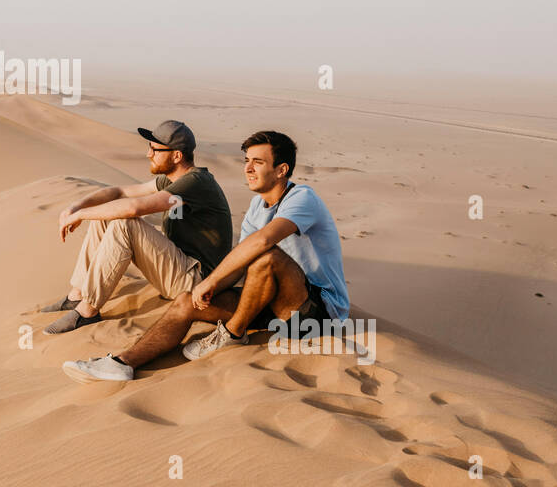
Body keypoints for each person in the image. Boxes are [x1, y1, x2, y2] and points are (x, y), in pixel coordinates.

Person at [62, 129, 349, 382]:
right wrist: (207, 289)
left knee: (266, 255)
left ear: (281, 170)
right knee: (186, 302)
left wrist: (210, 282)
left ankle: (232, 335)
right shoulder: (256, 207)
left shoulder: (302, 199)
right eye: (246, 161)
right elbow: (240, 260)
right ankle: (122, 362)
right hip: (269, 304)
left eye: (257, 162)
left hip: (315, 312)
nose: (248, 168)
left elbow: (262, 242)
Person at [40, 120, 233, 335]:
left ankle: (87, 312)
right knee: (105, 216)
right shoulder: (172, 180)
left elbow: (134, 208)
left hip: (195, 283)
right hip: (179, 265)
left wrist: (81, 215)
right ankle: (76, 296)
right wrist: (76, 207)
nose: (148, 154)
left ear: (177, 156)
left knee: (124, 223)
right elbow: (119, 192)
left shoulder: (196, 182)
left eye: (154, 149)